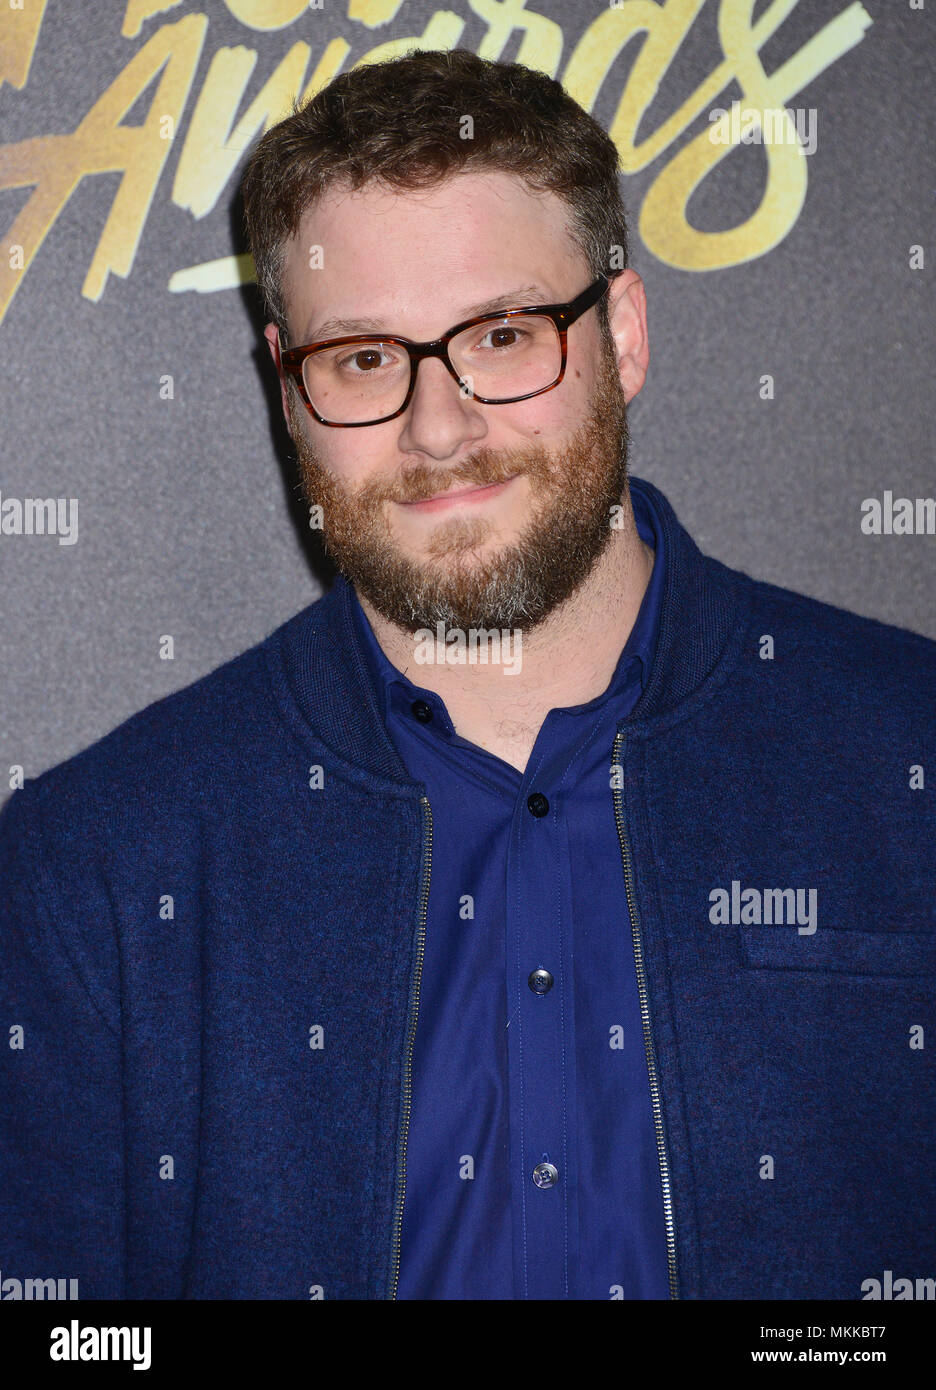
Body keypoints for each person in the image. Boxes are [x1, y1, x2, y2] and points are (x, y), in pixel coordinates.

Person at [1, 48, 933, 1302]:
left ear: (625, 333)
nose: (438, 428)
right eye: (366, 359)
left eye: (503, 334)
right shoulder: (95, 869)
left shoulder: (906, 763)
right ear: (290, 390)